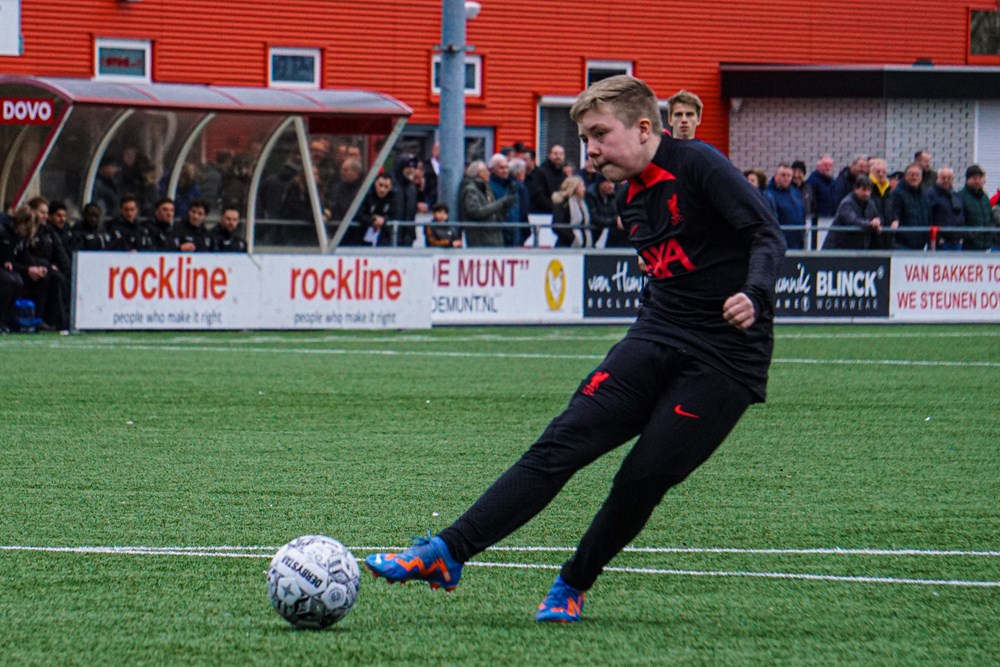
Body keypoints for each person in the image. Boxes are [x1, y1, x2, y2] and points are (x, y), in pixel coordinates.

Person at [365, 74, 786, 623]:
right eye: (585, 139)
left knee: (640, 478)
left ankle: (573, 582)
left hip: (726, 359)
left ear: (642, 127)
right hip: (657, 335)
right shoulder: (629, 200)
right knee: (561, 442)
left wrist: (754, 292)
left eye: (598, 135)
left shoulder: (699, 164)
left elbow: (767, 234)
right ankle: (447, 552)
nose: (590, 151)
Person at [459, 160, 515, 247]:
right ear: (477, 173)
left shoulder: (487, 188)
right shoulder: (471, 190)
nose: (488, 173)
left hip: (494, 236)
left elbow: (495, 213)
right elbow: (476, 211)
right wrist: (501, 203)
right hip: (481, 239)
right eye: (485, 171)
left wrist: (505, 207)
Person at [822, 176, 881, 250]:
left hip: (856, 248)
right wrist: (871, 224)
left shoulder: (870, 203)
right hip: (838, 248)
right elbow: (852, 221)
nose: (866, 193)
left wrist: (878, 221)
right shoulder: (847, 203)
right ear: (856, 189)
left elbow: (877, 215)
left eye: (869, 190)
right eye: (863, 190)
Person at [346, 172, 398, 247]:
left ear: (390, 188)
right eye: (380, 185)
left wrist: (384, 221)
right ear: (375, 183)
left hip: (383, 240)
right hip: (361, 237)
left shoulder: (393, 198)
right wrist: (372, 220)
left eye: (386, 187)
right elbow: (358, 214)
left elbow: (395, 215)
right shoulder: (366, 195)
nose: (382, 189)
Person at [764, 163, 806, 250]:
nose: (786, 178)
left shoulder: (796, 193)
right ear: (776, 176)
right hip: (781, 244)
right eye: (783, 175)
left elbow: (802, 214)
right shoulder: (769, 195)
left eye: (789, 176)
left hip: (797, 242)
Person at [891, 163, 931, 250]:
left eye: (917, 175)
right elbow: (894, 212)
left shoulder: (925, 195)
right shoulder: (897, 194)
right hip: (902, 243)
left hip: (922, 244)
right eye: (912, 175)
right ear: (905, 177)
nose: (915, 178)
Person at [927, 168, 964, 250]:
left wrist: (961, 236)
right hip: (940, 243)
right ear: (938, 178)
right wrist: (938, 238)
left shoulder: (956, 195)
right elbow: (928, 218)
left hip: (956, 241)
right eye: (943, 178)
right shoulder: (930, 195)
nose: (946, 180)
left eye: (949, 178)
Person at [551, 175, 592, 247]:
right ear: (574, 188)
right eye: (581, 186)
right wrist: (572, 237)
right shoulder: (564, 204)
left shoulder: (584, 203)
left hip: (584, 244)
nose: (584, 189)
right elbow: (557, 225)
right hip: (567, 245)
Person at [587, 176, 627, 247]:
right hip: (595, 234)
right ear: (601, 184)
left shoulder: (615, 193)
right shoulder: (590, 195)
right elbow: (595, 217)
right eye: (608, 182)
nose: (611, 186)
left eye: (613, 183)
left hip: (611, 235)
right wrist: (615, 221)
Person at [960, 164, 993, 251]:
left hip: (985, 246)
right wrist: (970, 236)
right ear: (967, 179)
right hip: (968, 247)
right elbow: (959, 221)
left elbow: (990, 217)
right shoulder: (961, 197)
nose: (977, 181)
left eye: (979, 178)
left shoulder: (984, 197)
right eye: (974, 178)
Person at [866, 158, 895, 249]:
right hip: (871, 232)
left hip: (887, 233)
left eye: (883, 172)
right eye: (878, 171)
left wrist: (895, 220)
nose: (881, 174)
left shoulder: (889, 191)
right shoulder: (867, 188)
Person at [528, 144, 566, 213]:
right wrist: (553, 207)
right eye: (555, 153)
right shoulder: (541, 172)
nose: (558, 156)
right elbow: (538, 195)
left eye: (561, 154)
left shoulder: (563, 173)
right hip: (543, 213)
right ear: (549, 155)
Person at [805, 155, 837, 220]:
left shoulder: (832, 181)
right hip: (818, 220)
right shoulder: (812, 181)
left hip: (830, 218)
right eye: (825, 165)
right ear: (818, 166)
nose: (828, 168)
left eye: (830, 165)